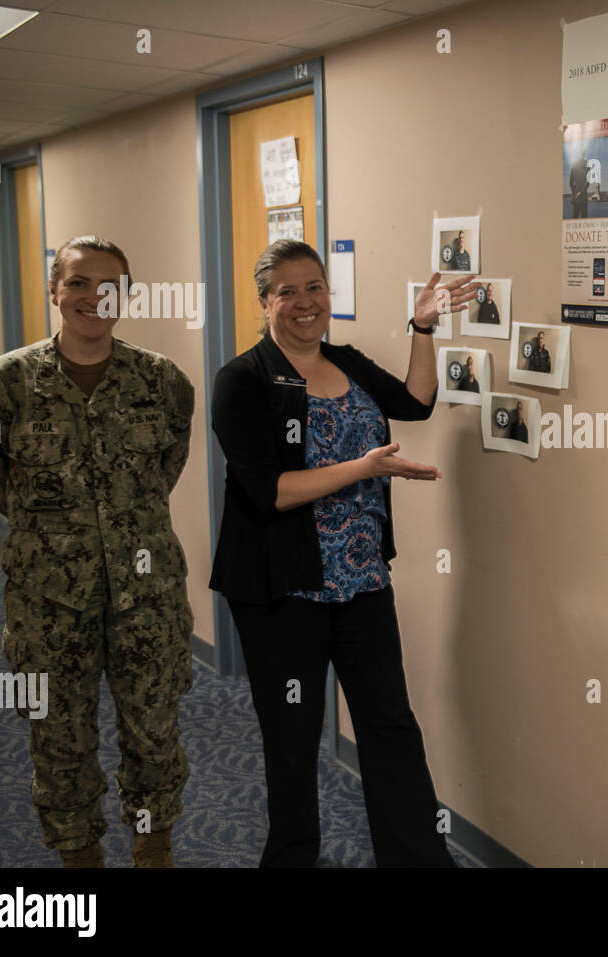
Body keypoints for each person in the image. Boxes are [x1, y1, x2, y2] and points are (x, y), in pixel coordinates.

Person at [210, 239, 474, 867]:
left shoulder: (347, 361)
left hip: (361, 582)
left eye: (315, 288)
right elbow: (271, 491)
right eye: (288, 293)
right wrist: (361, 468)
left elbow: (414, 401)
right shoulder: (243, 380)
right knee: (294, 739)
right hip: (284, 592)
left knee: (391, 729)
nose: (305, 304)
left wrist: (423, 327)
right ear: (264, 302)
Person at [0, 235, 195, 868]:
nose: (95, 297)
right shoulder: (2, 387)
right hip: (47, 603)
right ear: (54, 291)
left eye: (110, 284)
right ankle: (79, 863)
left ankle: (153, 851)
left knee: (154, 734)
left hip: (147, 596)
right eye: (79, 283)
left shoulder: (163, 383)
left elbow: (164, 473)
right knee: (60, 742)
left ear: (129, 293)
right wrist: (59, 538)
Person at [568, 146, 589, 219]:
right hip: (583, 196)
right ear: (584, 154)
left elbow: (570, 182)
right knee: (584, 218)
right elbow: (587, 182)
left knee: (574, 217)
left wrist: (575, 192)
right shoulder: (587, 164)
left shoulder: (574, 165)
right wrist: (581, 192)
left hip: (575, 196)